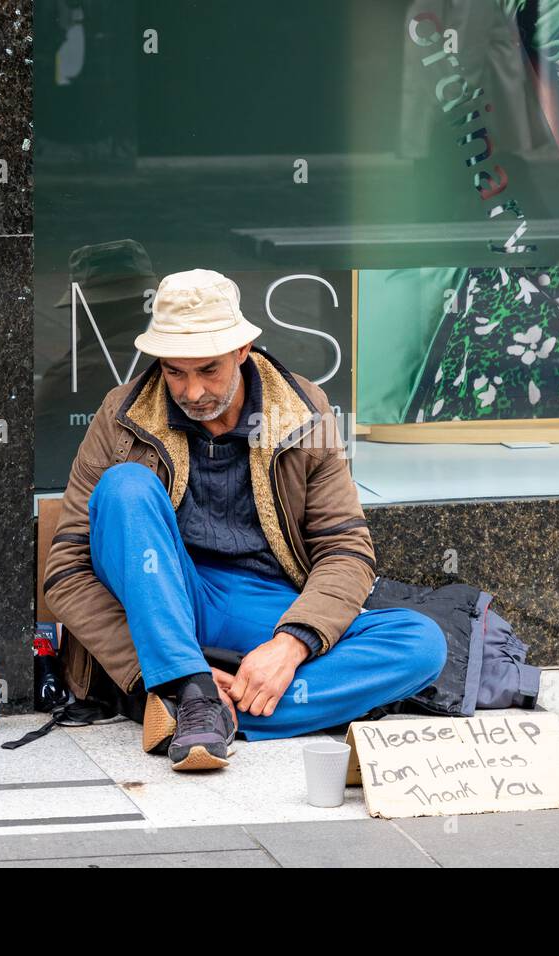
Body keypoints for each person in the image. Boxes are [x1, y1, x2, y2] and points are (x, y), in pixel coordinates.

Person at [43, 269, 448, 771]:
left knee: (421, 643)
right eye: (175, 372)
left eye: (208, 370)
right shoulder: (120, 415)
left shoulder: (307, 412)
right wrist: (148, 665)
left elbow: (346, 548)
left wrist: (291, 644)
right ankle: (185, 683)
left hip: (264, 606)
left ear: (244, 349)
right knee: (126, 486)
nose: (191, 392)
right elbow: (65, 572)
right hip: (163, 596)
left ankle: (201, 709)